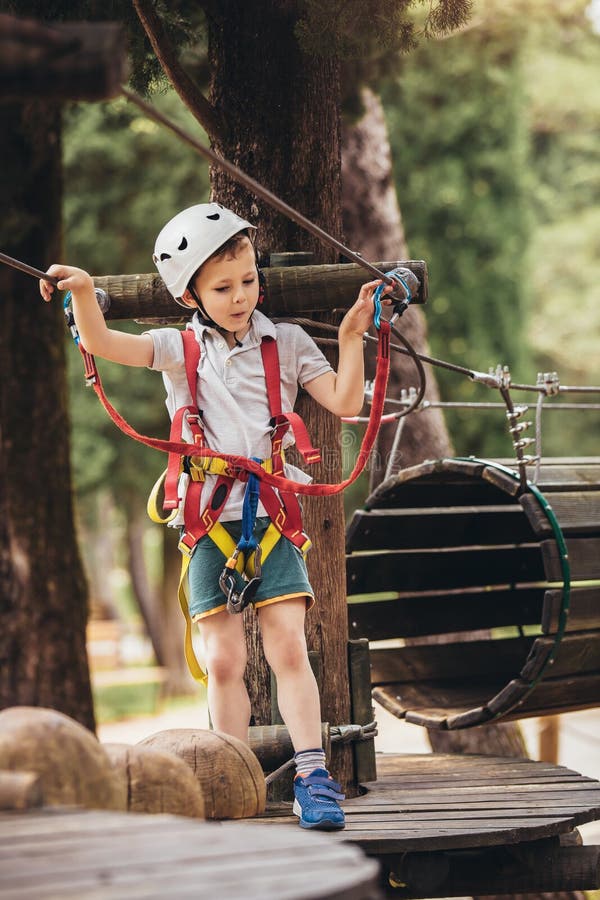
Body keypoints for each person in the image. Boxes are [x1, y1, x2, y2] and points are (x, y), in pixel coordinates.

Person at [40, 202, 391, 830]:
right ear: (190, 293)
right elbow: (100, 342)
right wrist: (87, 292)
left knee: (288, 647)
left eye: (249, 281)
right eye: (223, 287)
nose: (240, 297)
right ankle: (231, 775)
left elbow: (342, 401)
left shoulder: (285, 342)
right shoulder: (178, 350)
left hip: (273, 518)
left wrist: (349, 339)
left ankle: (314, 773)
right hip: (208, 521)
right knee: (224, 659)